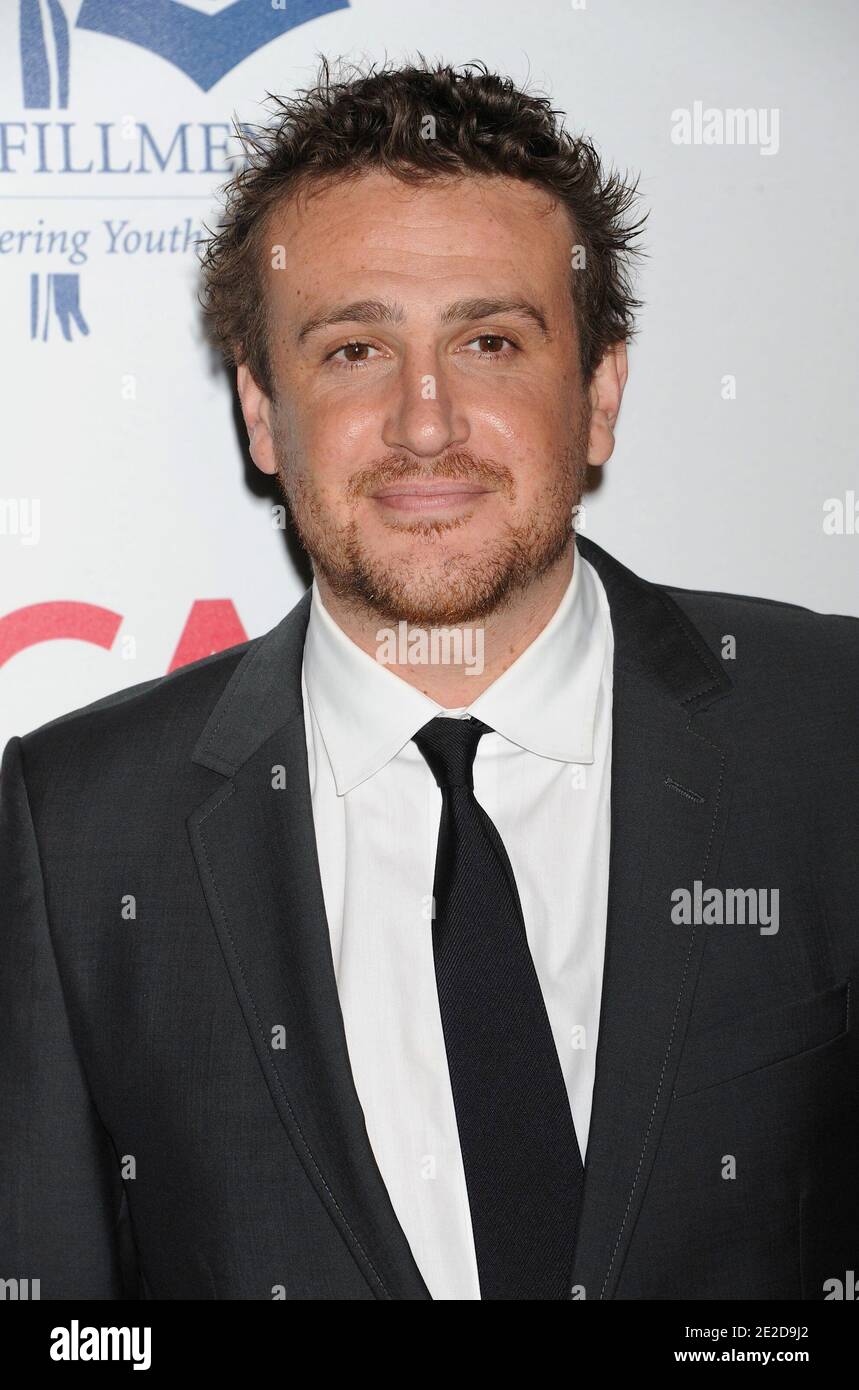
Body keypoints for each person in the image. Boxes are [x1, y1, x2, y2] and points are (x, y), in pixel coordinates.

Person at [1, 58, 857, 1301]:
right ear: (259, 410)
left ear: (600, 393)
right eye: (353, 348)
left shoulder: (829, 730)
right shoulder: (76, 829)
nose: (424, 422)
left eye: (491, 340)